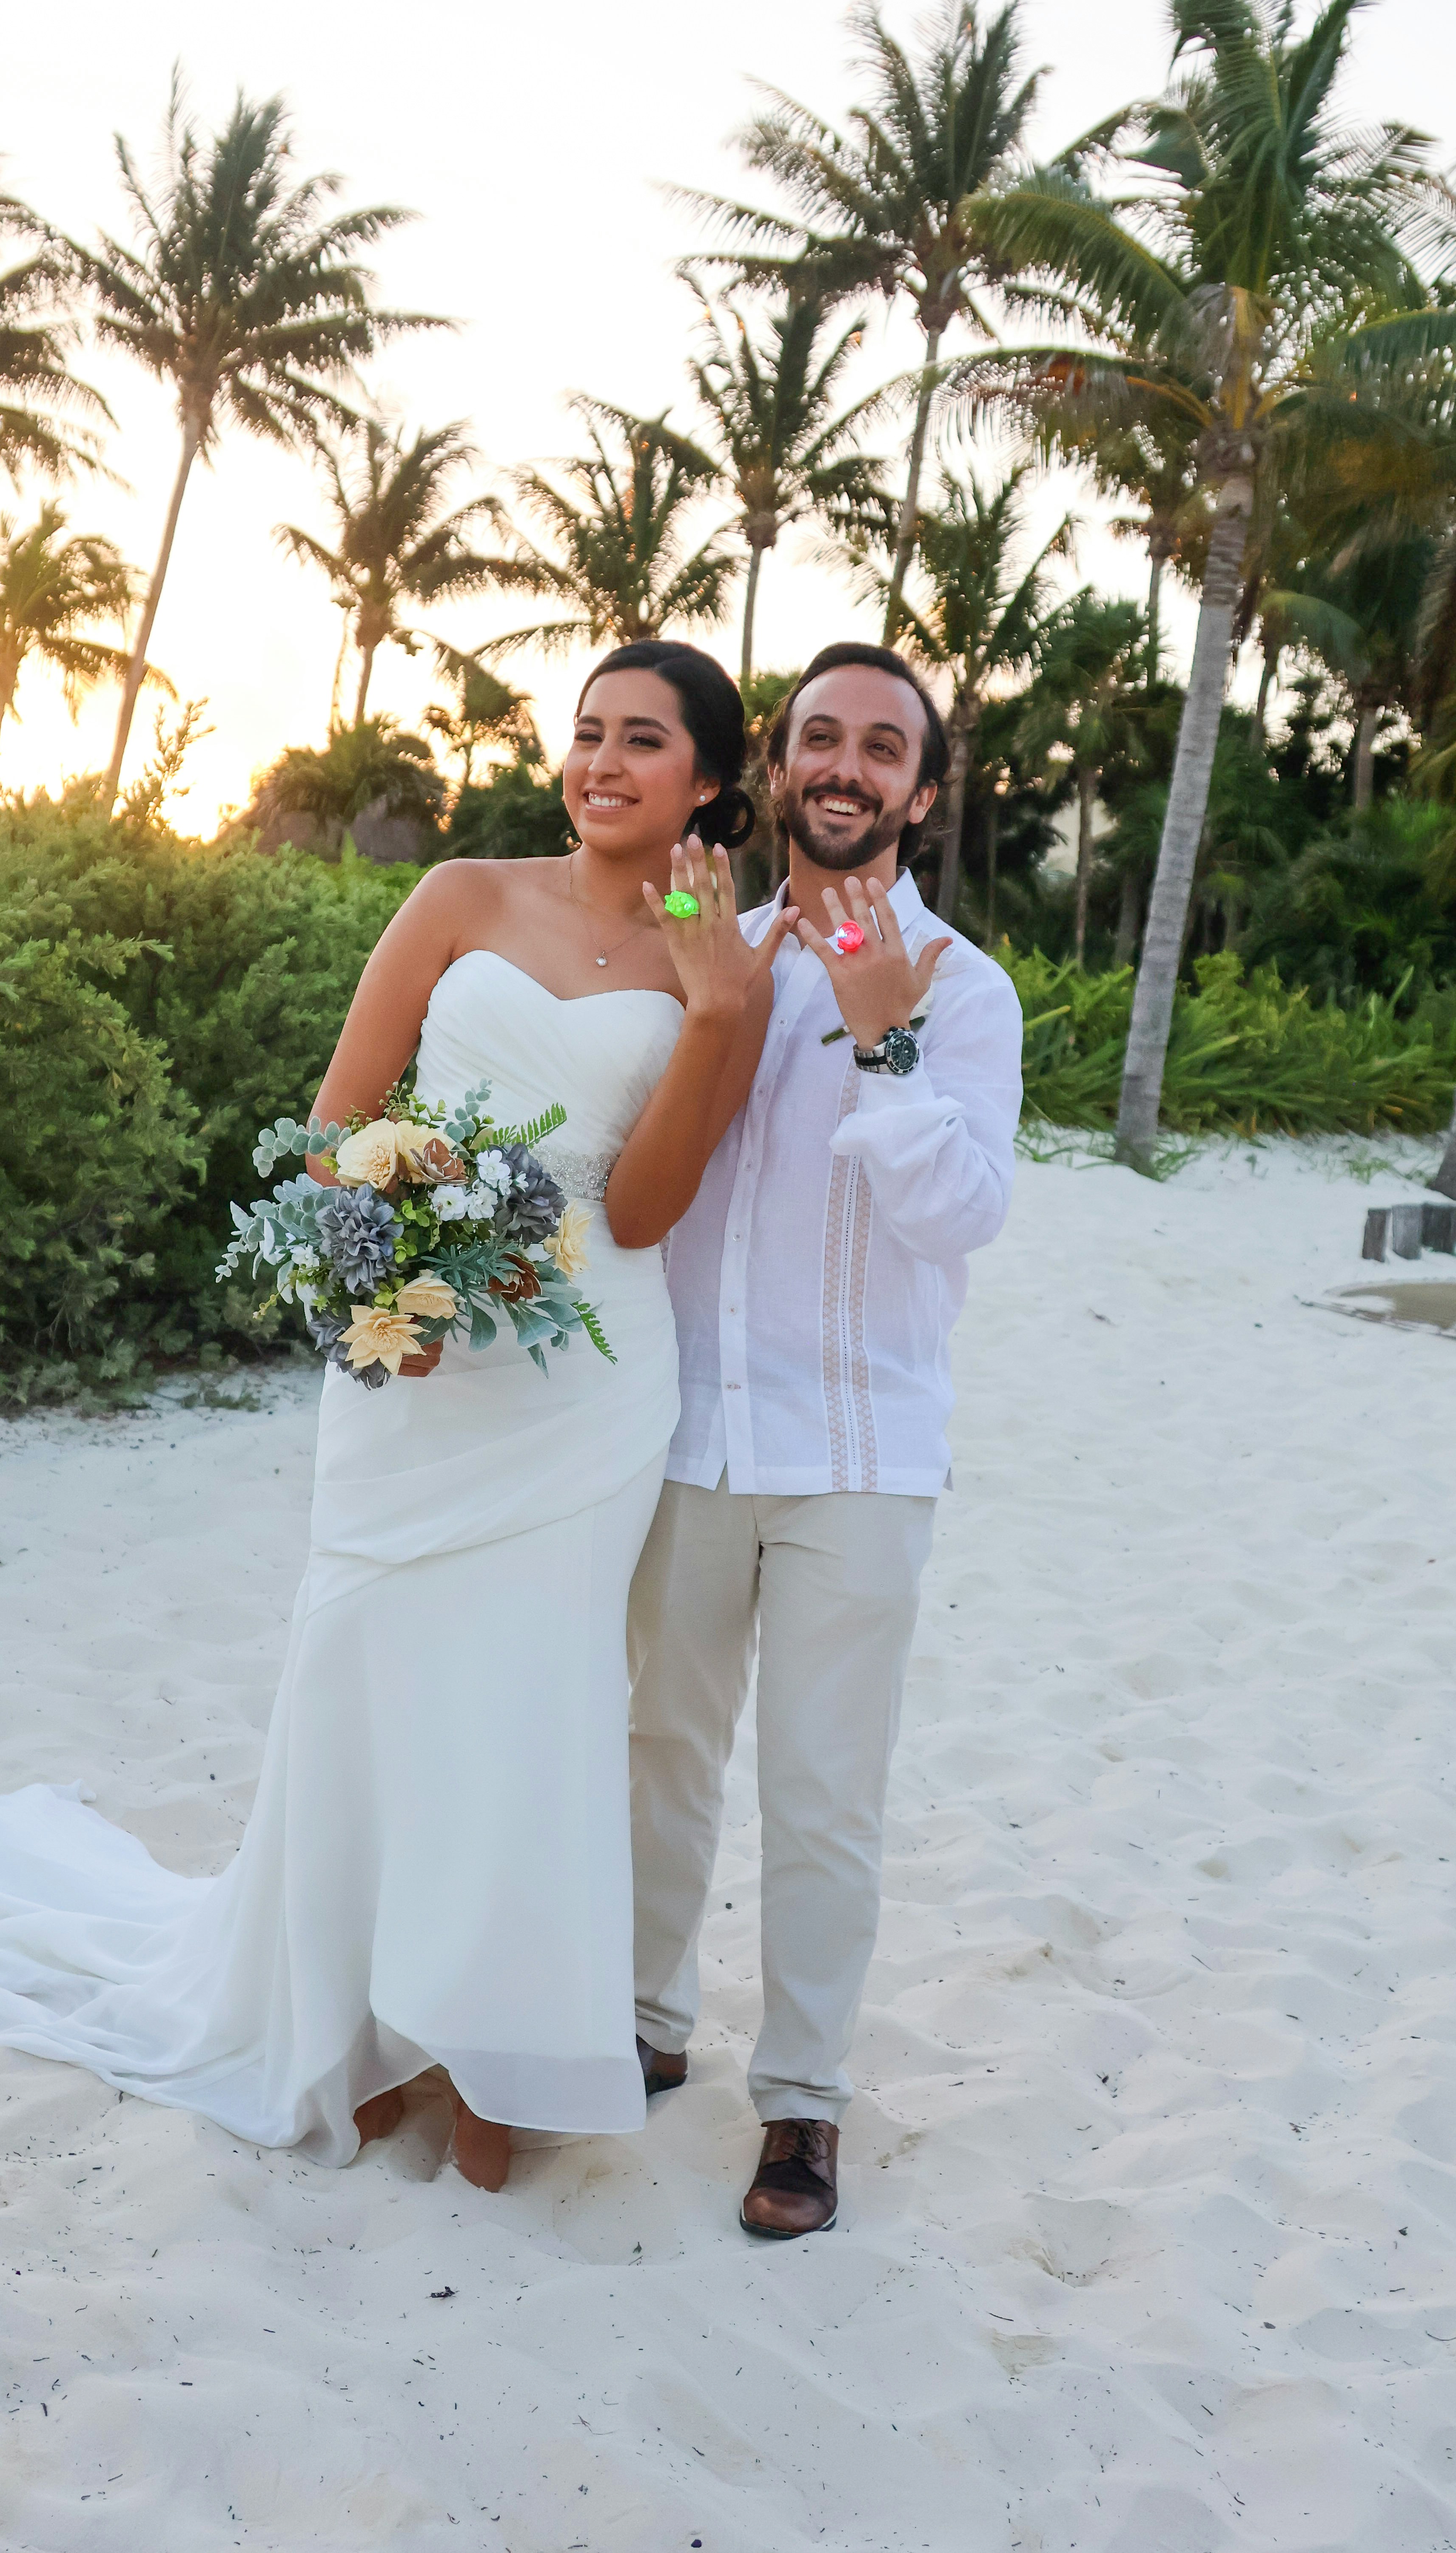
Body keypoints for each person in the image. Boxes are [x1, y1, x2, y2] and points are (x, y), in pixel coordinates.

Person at [0, 642, 797, 2196]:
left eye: (643, 742)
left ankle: (491, 2044)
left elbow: (644, 1216)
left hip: (589, 1384)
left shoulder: (724, 964)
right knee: (372, 1667)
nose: (600, 761)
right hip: (421, 1358)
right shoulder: (459, 896)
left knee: (535, 1693)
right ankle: (353, 2020)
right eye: (586, 732)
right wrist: (417, 1254)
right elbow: (335, 1123)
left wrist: (718, 1019)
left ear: (709, 783)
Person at [626, 642, 1024, 2238]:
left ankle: (800, 2104)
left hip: (862, 1451)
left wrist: (884, 1039)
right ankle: (646, 2024)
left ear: (922, 792)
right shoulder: (700, 954)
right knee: (660, 1749)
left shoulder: (962, 990)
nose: (849, 767)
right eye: (822, 740)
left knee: (823, 1788)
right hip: (689, 1436)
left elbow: (960, 1220)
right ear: (780, 770)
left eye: (884, 747)